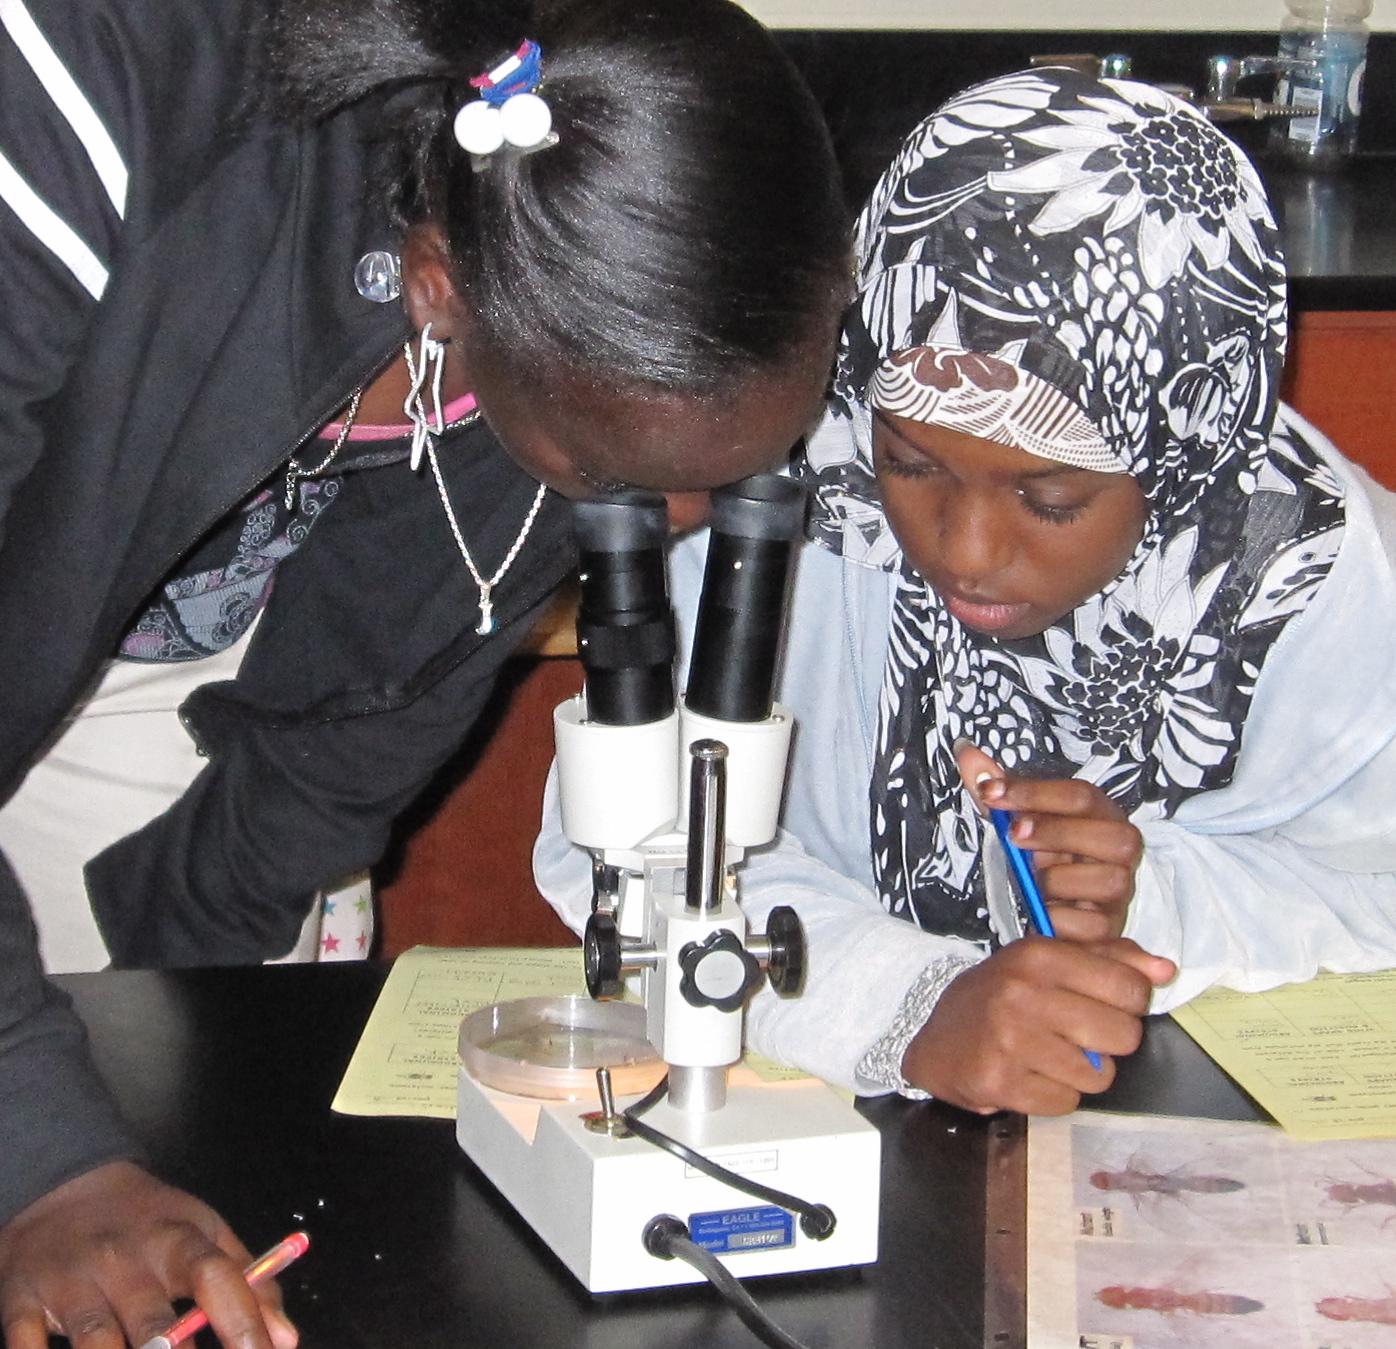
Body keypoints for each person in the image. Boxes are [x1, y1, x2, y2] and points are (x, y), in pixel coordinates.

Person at [0, 0, 851, 1342]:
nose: (678, 527)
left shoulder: (568, 196)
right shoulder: (85, 86)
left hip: (205, 601)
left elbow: (346, 727)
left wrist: (158, 1103)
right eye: (625, 486)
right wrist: (48, 1167)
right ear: (442, 282)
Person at [536, 67, 1396, 1126]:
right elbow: (617, 839)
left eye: (1047, 497)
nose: (966, 550)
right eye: (913, 466)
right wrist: (908, 1002)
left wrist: (1153, 893)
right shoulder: (782, 474)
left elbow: (1373, 889)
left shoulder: (1304, 565)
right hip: (815, 1096)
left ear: (1181, 453)